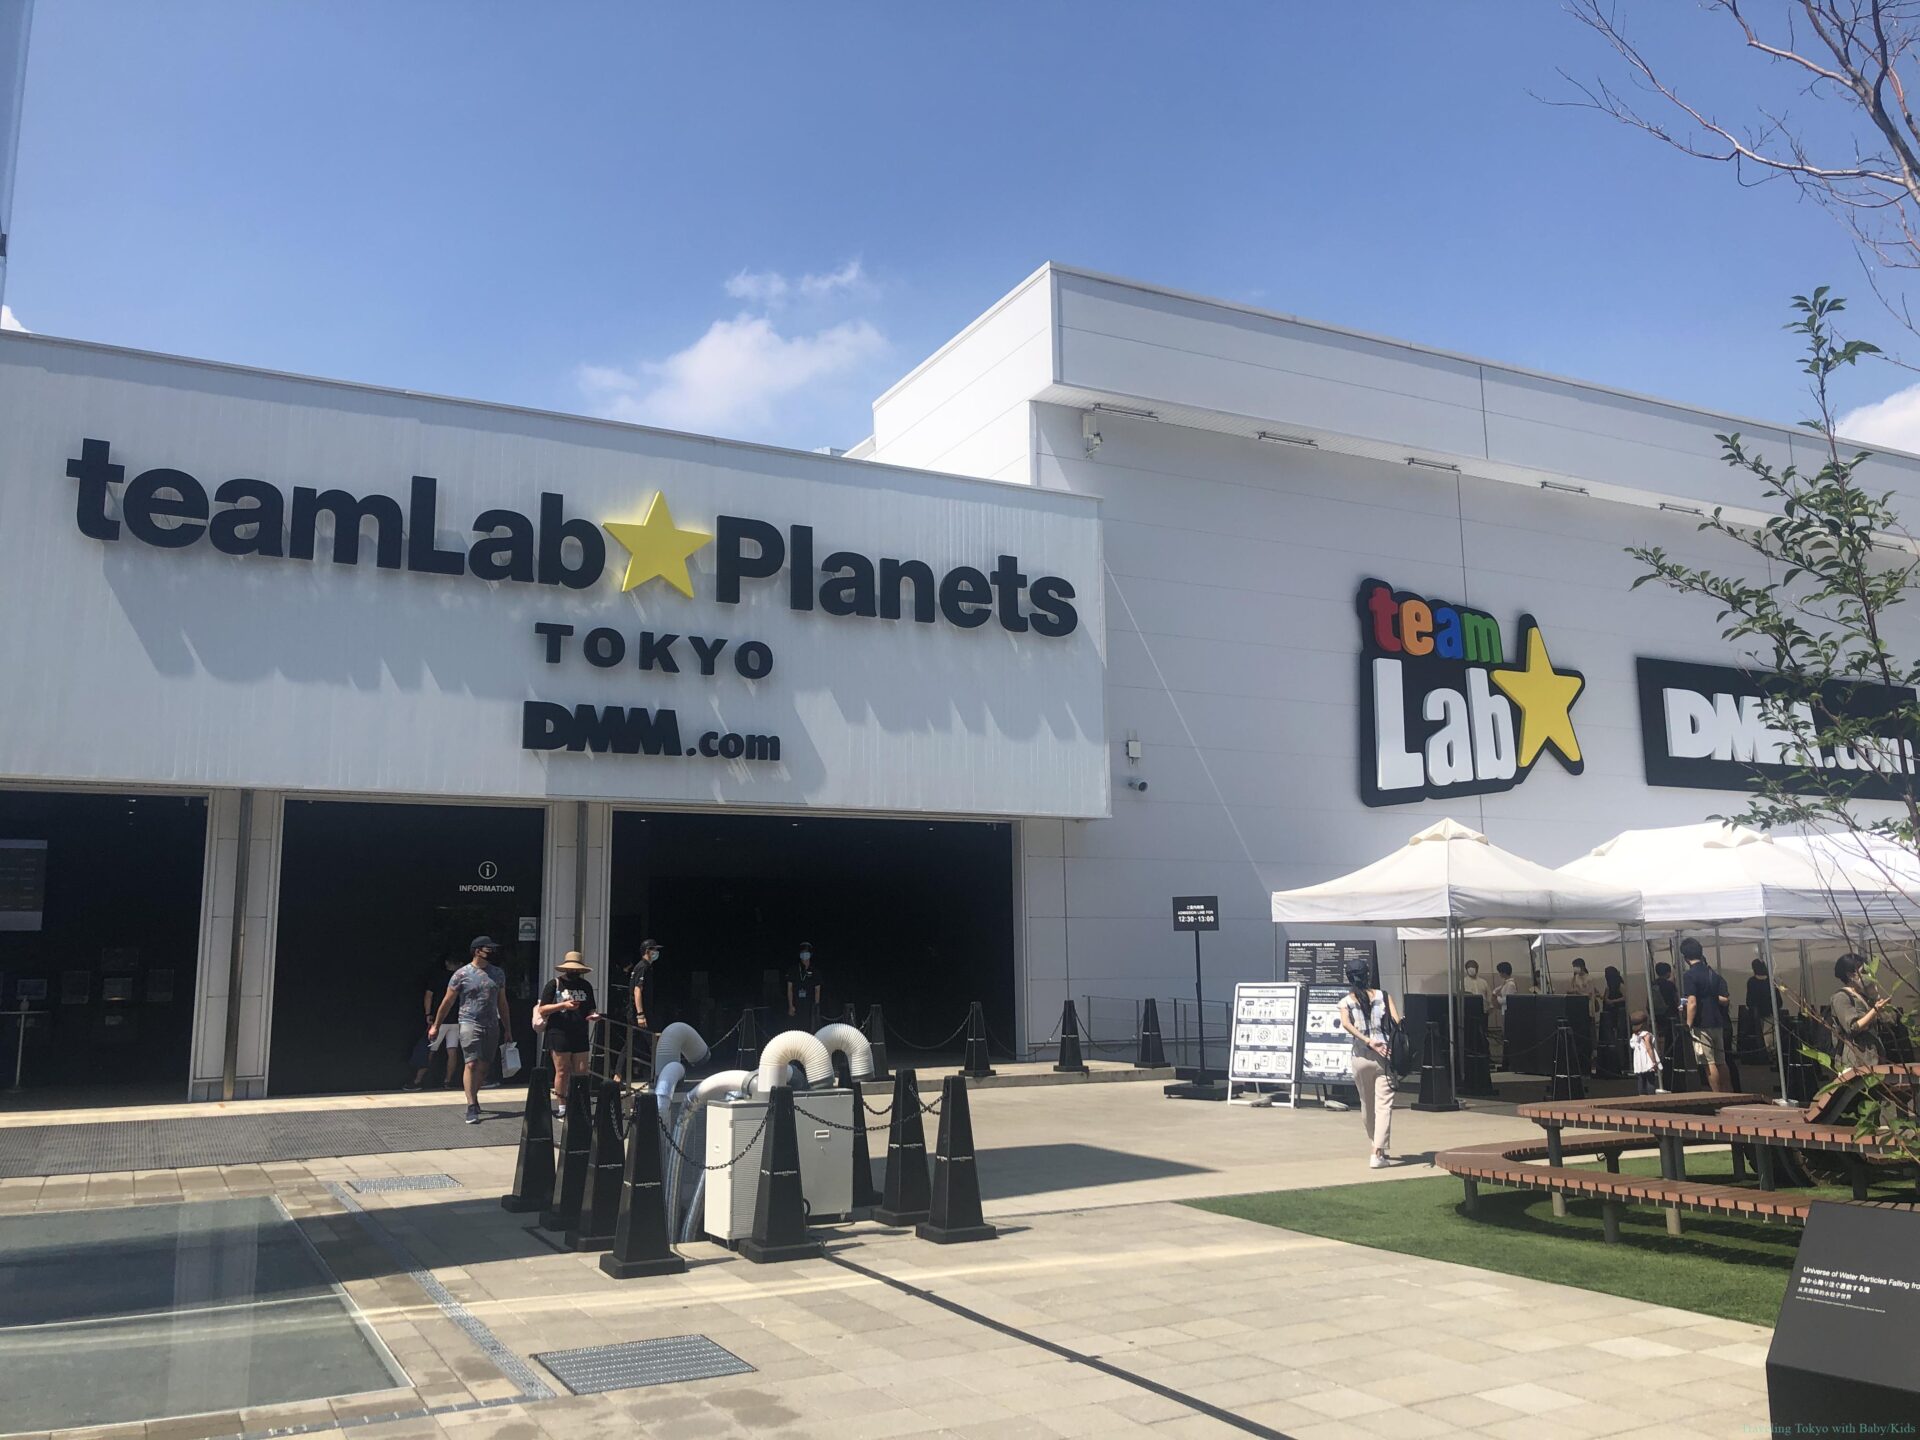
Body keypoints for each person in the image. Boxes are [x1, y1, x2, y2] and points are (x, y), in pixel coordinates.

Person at [429, 936, 515, 1124]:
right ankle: (471, 1104)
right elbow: (448, 1001)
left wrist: (507, 1028)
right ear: (477, 951)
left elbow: (502, 1002)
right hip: (469, 1022)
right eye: (488, 949)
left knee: (484, 1065)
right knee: (471, 1063)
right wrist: (436, 1024)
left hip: (491, 1023)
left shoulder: (498, 974)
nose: (491, 952)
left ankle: (474, 1097)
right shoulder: (462, 974)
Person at [1335, 962, 1403, 1169]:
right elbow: (1397, 1022)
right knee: (1384, 1105)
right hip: (1385, 1054)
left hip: (1360, 1055)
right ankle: (1377, 1152)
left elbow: (1346, 1024)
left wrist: (1366, 1040)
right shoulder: (1383, 996)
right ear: (1368, 975)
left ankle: (1376, 1146)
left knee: (1366, 1103)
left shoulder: (1346, 1001)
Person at [536, 952, 599, 1109]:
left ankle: (579, 1104)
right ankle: (562, 1106)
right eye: (572, 969)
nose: (575, 972)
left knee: (582, 1071)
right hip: (559, 1032)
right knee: (562, 1071)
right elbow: (543, 1009)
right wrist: (563, 1005)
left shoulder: (586, 986)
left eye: (577, 970)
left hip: (580, 1032)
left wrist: (593, 1015)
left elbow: (590, 1007)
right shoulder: (554, 984)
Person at [1680, 937, 1732, 1092]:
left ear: (1686, 957)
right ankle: (1729, 1092)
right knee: (1721, 1061)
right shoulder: (1713, 974)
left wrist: (1688, 1024)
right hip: (1717, 1020)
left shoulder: (1689, 976)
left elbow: (1692, 1002)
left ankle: (1716, 1095)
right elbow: (1724, 999)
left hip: (1702, 1023)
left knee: (1708, 1062)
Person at [407, 954, 463, 1090]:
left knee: (430, 1050)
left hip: (440, 1019)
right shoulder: (461, 979)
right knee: (452, 1050)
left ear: (447, 963)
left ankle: (417, 1081)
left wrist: (428, 1014)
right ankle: (448, 1081)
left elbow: (428, 996)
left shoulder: (438, 977)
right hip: (456, 1019)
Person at [1831, 953, 1892, 1073]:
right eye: (1863, 972)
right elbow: (1853, 1027)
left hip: (1874, 1057)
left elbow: (1890, 1020)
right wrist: (1874, 1011)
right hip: (1855, 1060)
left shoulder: (1864, 996)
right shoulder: (1841, 997)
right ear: (1850, 975)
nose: (1868, 975)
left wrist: (1875, 997)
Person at [1598, 966, 1629, 1077]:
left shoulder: (1620, 985)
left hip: (1619, 1012)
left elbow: (1625, 997)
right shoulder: (1608, 987)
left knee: (1620, 1036)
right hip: (1610, 1013)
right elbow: (1605, 998)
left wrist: (1613, 1001)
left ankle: (1622, 1060)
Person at [787, 941, 824, 1029]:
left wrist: (816, 1008)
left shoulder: (815, 972)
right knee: (796, 1029)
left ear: (810, 954)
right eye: (802, 953)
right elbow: (789, 989)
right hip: (796, 1005)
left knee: (810, 1028)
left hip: (810, 1006)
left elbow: (817, 991)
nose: (804, 956)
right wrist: (790, 1005)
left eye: (806, 953)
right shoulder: (793, 970)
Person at [1489, 961, 1517, 1067]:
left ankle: (1508, 1062)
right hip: (1504, 1012)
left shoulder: (1510, 984)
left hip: (1508, 1012)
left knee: (1507, 1035)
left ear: (1503, 972)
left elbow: (1508, 999)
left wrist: (1497, 999)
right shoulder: (1505, 984)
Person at [1628, 1011, 1661, 1095]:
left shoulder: (1634, 1035)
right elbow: (1649, 1048)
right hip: (1647, 1059)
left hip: (1639, 1060)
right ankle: (1651, 1097)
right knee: (1650, 1080)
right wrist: (1654, 1061)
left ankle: (1641, 1096)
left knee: (1641, 1079)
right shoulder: (1646, 1035)